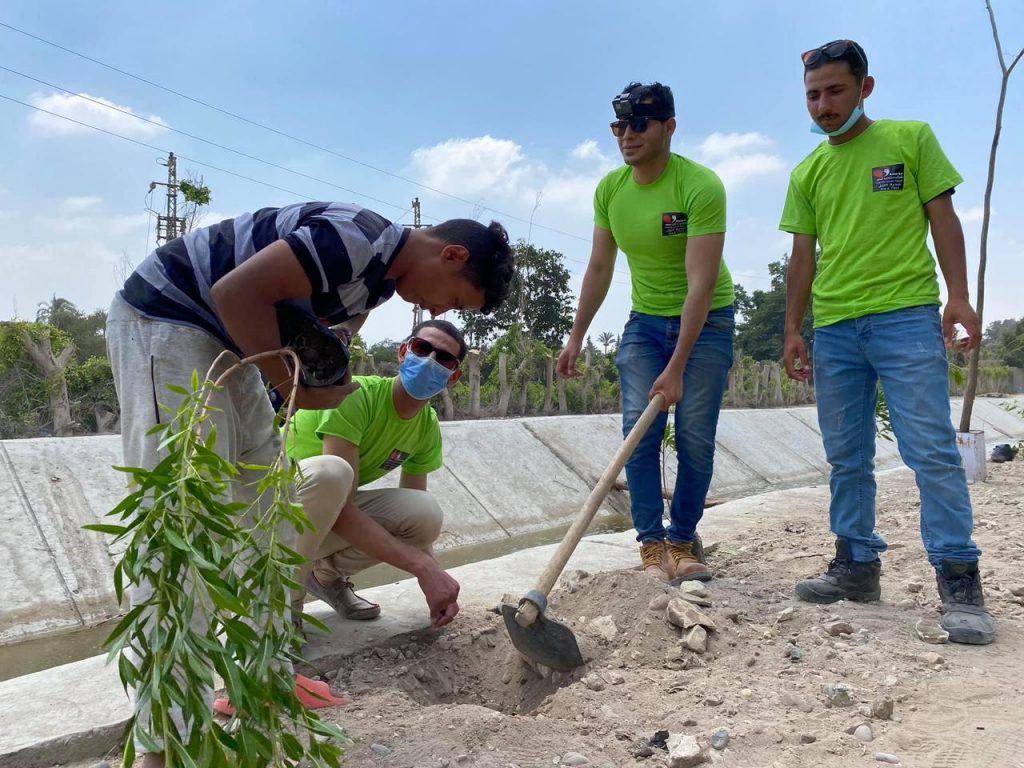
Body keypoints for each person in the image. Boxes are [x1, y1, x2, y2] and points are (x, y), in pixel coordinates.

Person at [106, 202, 514, 764]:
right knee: (181, 527)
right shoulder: (357, 240)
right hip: (171, 322)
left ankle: (265, 680)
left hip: (231, 348)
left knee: (272, 512)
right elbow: (235, 293)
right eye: (454, 298)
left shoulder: (376, 284)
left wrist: (306, 375)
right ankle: (166, 738)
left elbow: (311, 337)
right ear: (452, 254)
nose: (437, 309)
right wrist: (302, 391)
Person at [780, 40, 994, 645]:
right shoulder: (807, 172)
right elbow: (802, 256)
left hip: (905, 316)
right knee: (846, 456)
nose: (823, 105)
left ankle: (959, 578)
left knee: (929, 449)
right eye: (813, 95)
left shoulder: (910, 139)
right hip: (838, 328)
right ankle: (856, 566)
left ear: (865, 88)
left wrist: (958, 295)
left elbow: (943, 217)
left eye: (835, 91)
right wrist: (794, 328)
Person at [557, 82, 735, 583]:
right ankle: (652, 545)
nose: (626, 136)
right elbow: (598, 267)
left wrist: (677, 366)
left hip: (709, 321)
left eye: (638, 124)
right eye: (619, 126)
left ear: (668, 127)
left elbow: (700, 283)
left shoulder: (701, 186)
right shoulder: (610, 190)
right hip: (645, 324)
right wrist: (576, 336)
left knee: (695, 436)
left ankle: (682, 539)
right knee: (639, 433)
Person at [287, 319, 467, 629]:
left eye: (444, 358)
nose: (429, 361)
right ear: (403, 352)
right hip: (271, 511)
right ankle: (283, 605)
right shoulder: (358, 396)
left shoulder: (426, 427)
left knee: (424, 516)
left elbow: (415, 522)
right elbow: (340, 508)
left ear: (454, 376)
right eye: (423, 348)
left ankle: (325, 578)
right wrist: (421, 567)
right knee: (333, 474)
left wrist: (435, 582)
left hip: (318, 516)